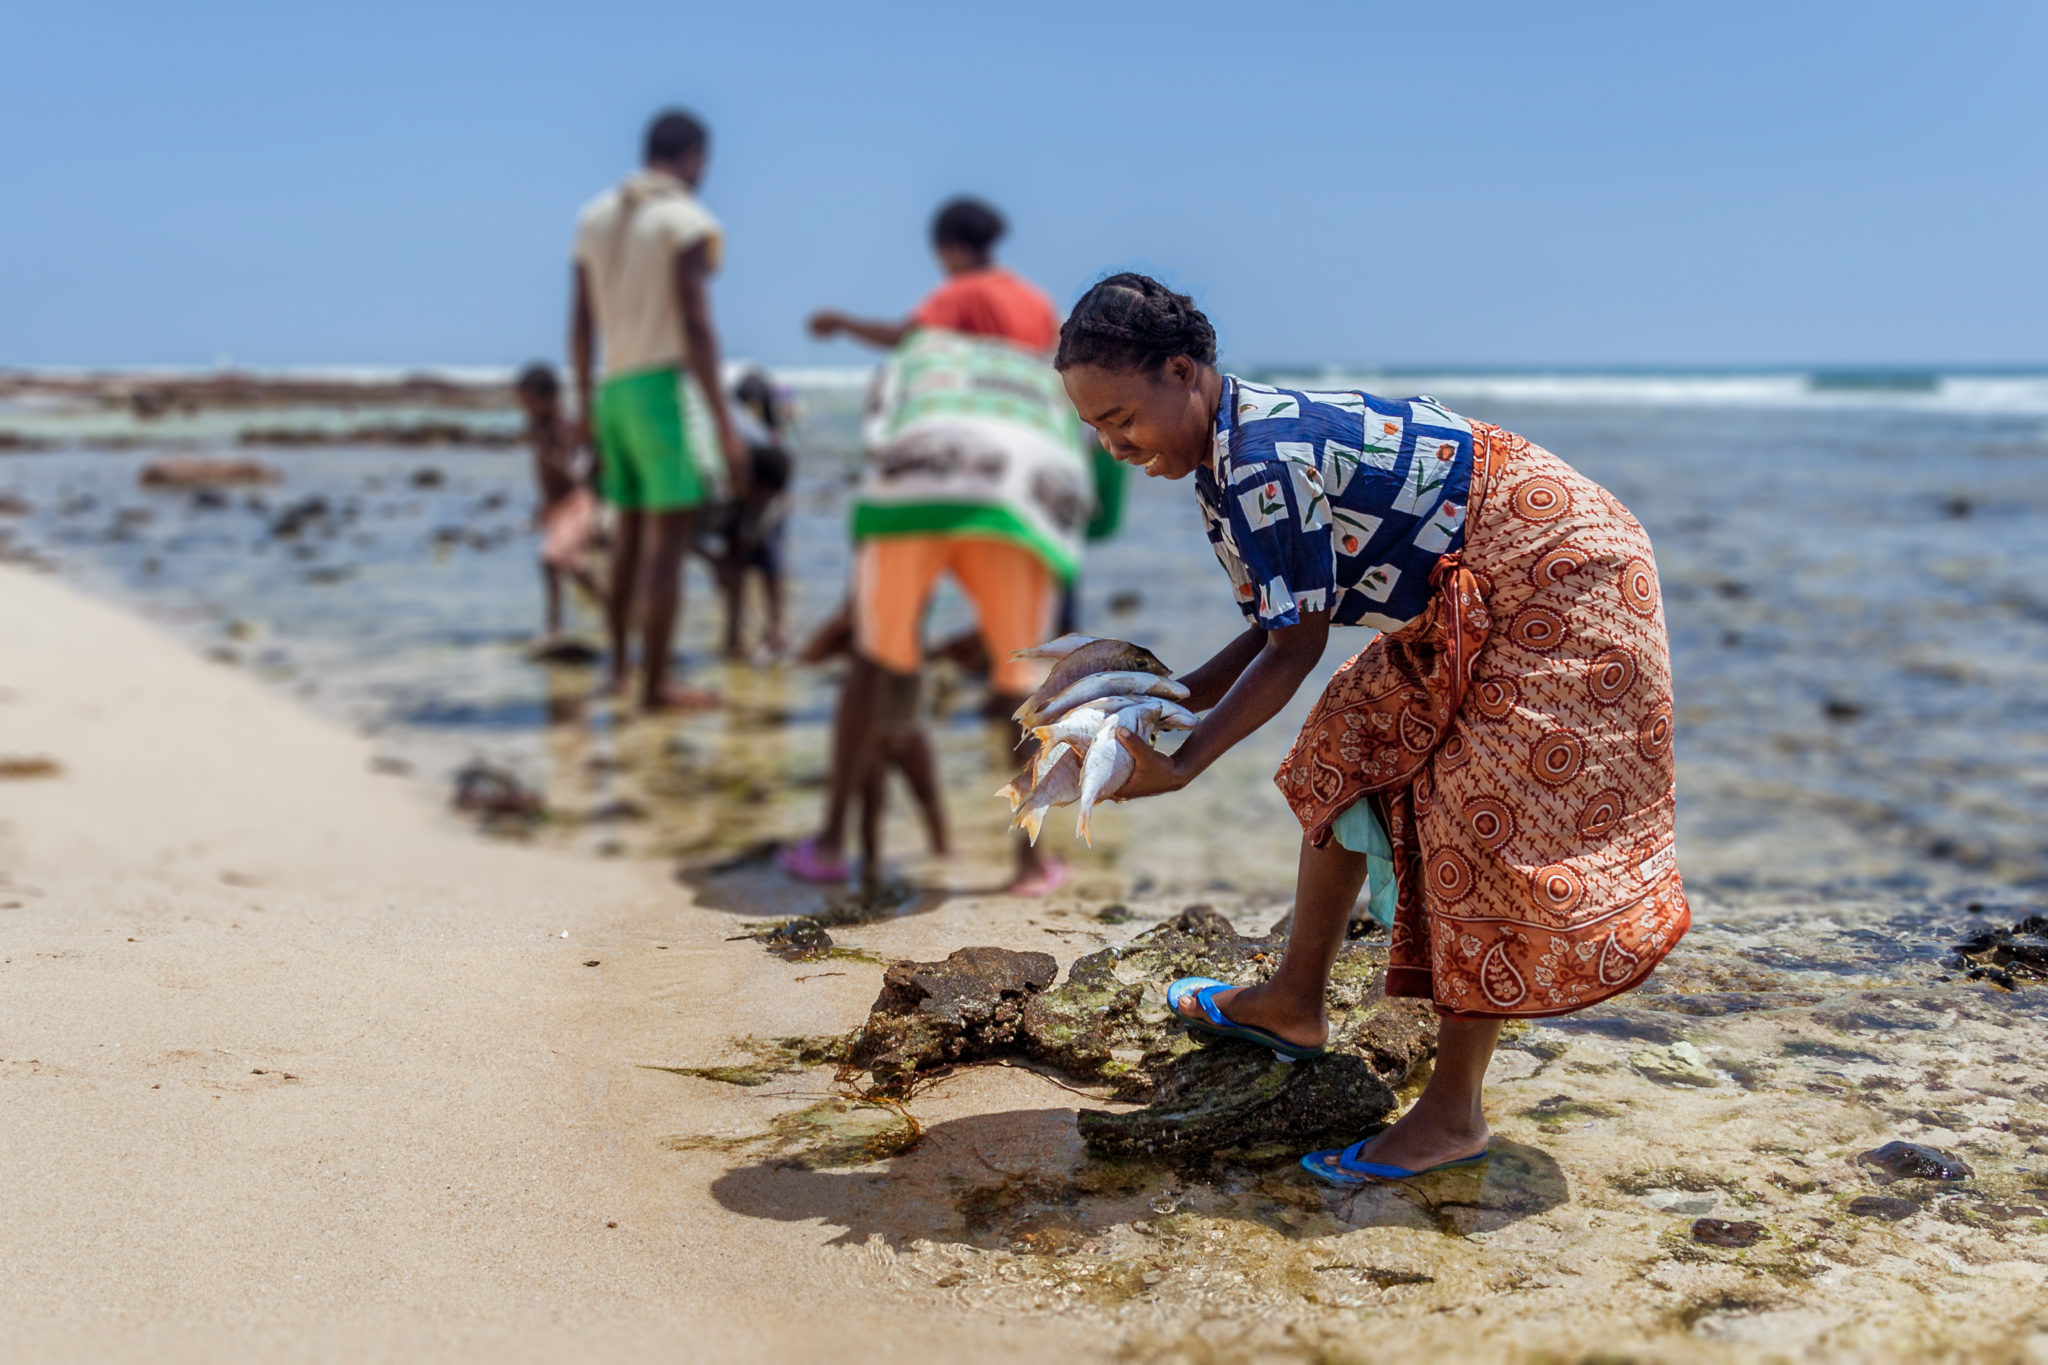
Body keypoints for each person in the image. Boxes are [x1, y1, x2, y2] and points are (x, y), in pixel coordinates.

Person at [1054, 273, 1690, 1183]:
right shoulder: (1223, 453)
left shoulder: (1260, 458)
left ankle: (1453, 1112)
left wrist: (1185, 762)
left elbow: (1294, 649)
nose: (1115, 446)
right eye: (1097, 432)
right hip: (1467, 589)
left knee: (1478, 820)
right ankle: (1293, 1002)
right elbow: (1283, 616)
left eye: (1122, 419)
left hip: (1561, 576)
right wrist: (1179, 696)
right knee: (1345, 743)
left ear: (1183, 371)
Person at [781, 199, 1077, 895]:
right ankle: (1029, 862)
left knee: (875, 662)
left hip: (921, 478)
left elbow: (908, 350)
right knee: (1018, 678)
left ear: (946, 246)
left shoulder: (953, 294)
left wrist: (841, 322)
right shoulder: (1036, 304)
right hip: (1016, 483)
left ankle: (828, 843)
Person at [569, 107, 748, 711]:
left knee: (626, 542)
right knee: (665, 550)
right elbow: (696, 322)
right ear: (694, 156)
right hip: (663, 389)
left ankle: (619, 669)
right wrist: (724, 423)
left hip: (612, 388)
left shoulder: (593, 217)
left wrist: (581, 402)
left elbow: (579, 321)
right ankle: (657, 686)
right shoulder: (685, 220)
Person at [515, 363, 604, 640]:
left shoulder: (567, 428)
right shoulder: (535, 428)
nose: (526, 409)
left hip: (577, 501)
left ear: (551, 398)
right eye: (523, 403)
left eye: (530, 402)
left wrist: (553, 455)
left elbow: (579, 469)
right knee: (566, 566)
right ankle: (561, 625)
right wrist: (542, 505)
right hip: (556, 506)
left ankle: (563, 625)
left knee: (553, 560)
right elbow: (541, 472)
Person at [709, 369, 793, 659]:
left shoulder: (763, 438)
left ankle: (769, 631)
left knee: (762, 556)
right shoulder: (742, 437)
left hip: (762, 484)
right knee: (745, 558)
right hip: (745, 484)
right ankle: (746, 632)